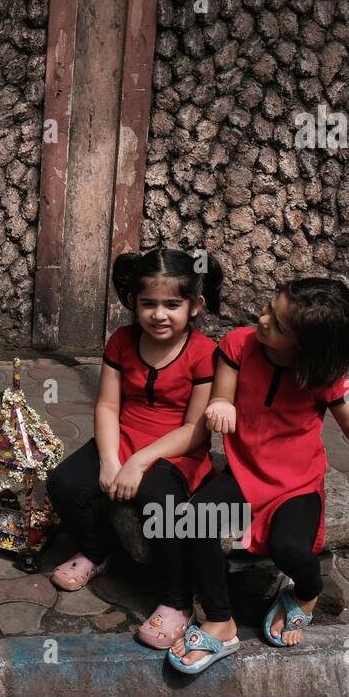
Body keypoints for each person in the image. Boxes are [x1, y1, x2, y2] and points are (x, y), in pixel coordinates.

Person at [168, 278, 349, 674]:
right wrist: (221, 406)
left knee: (289, 550)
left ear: (306, 346)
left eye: (278, 323)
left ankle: (307, 593)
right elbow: (221, 395)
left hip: (297, 483)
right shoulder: (238, 344)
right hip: (245, 472)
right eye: (269, 308)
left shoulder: (325, 378)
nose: (263, 320)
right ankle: (220, 621)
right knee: (193, 522)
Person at [46, 248, 221, 650]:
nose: (159, 315)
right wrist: (110, 460)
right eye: (149, 304)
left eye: (172, 304)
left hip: (176, 450)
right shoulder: (122, 341)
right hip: (123, 438)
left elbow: (195, 430)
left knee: (160, 501)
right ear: (133, 303)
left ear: (194, 307)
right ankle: (95, 551)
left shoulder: (203, 352)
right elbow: (107, 405)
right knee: (65, 482)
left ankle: (177, 601)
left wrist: (140, 463)